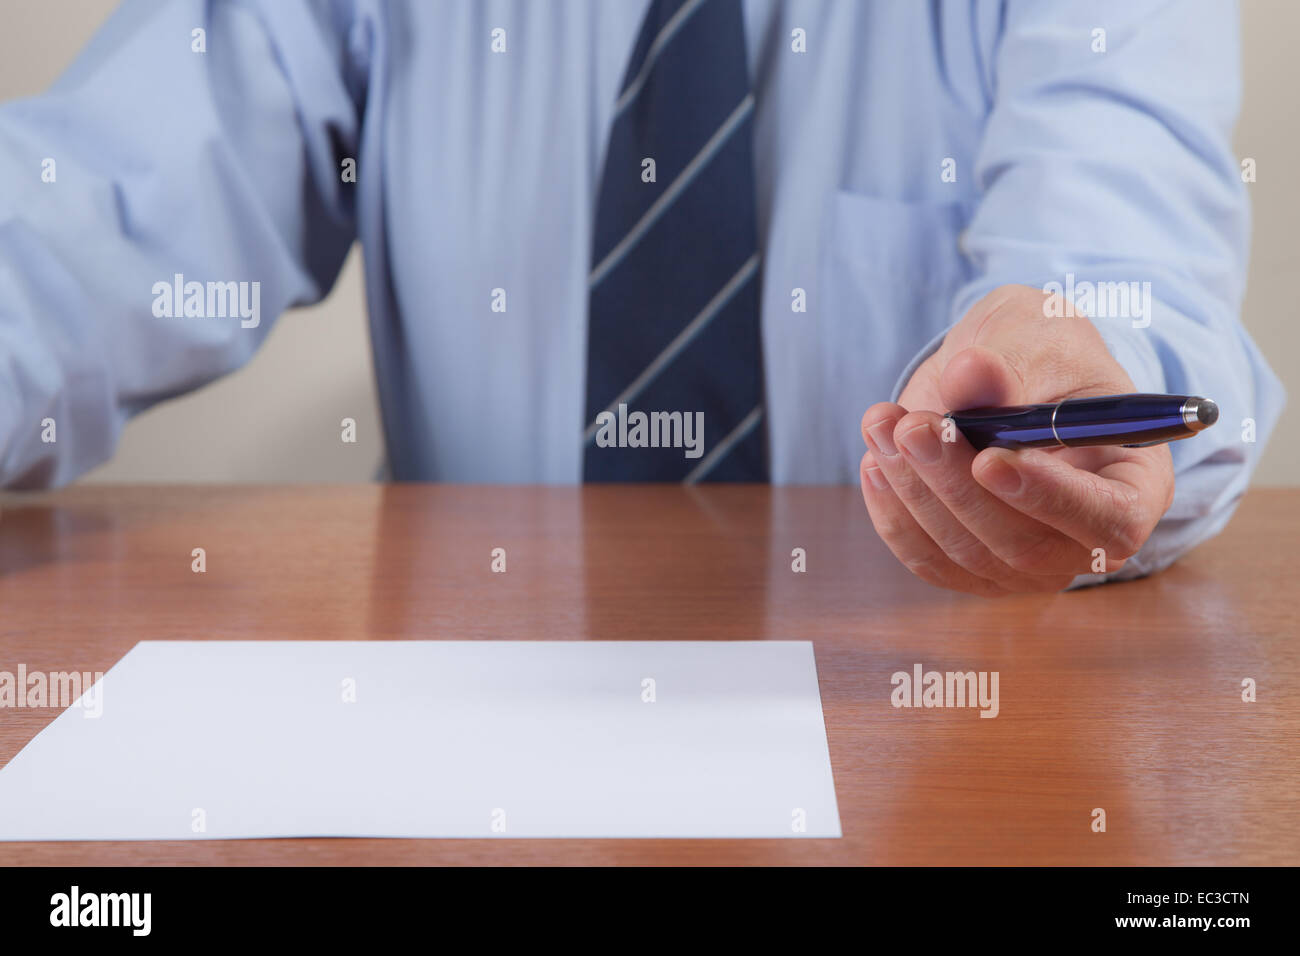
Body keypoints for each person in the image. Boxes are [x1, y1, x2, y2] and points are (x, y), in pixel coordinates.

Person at [0, 0, 1282, 596]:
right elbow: (88, 216)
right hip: (471, 748)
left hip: (931, 726)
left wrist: (1089, 366)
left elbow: (1123, 245)